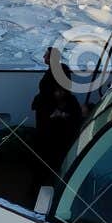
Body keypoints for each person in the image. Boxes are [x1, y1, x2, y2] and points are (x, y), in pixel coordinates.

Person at [30, 47, 83, 183]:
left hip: (51, 114)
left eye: (46, 55)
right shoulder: (56, 70)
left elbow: (61, 92)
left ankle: (48, 173)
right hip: (47, 111)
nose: (43, 57)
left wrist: (57, 110)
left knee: (50, 143)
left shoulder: (58, 72)